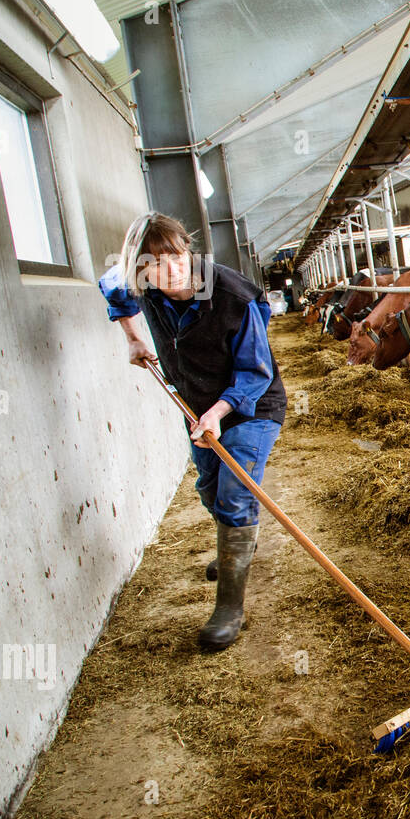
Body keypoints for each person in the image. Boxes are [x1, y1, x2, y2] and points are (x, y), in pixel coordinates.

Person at [99, 213, 286, 652]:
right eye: (158, 263)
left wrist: (220, 412)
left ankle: (229, 609)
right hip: (197, 407)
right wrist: (131, 336)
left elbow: (255, 372)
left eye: (178, 254)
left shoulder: (232, 296)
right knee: (208, 488)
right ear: (141, 271)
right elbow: (110, 284)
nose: (175, 268)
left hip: (251, 406)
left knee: (236, 493)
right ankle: (235, 549)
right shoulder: (137, 284)